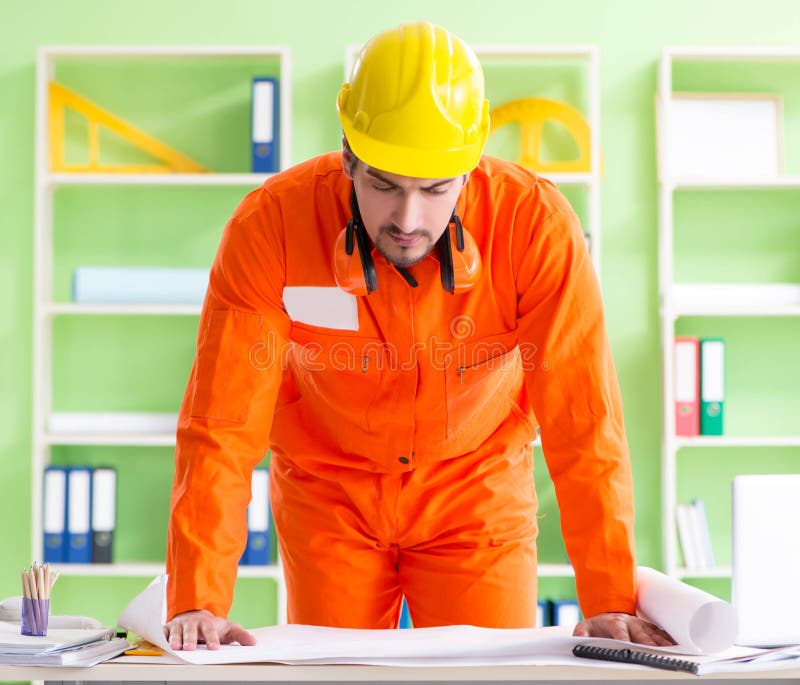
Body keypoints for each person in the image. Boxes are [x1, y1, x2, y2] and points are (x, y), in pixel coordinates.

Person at [164, 21, 672, 651]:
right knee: (335, 674)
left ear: (470, 167)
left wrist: (610, 598)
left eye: (435, 190)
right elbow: (222, 420)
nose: (409, 219)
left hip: (475, 491)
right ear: (348, 153)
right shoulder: (270, 227)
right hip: (329, 494)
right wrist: (198, 599)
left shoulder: (534, 226)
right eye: (384, 185)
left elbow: (582, 416)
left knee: (487, 674)